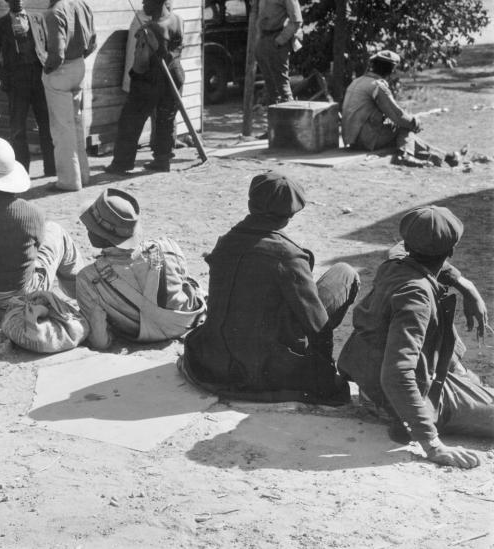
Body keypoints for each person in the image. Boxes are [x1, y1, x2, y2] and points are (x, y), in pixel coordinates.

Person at [180, 171, 360, 404]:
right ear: (290, 215)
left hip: (212, 359)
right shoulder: (288, 255)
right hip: (263, 367)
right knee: (345, 273)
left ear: (249, 203)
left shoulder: (225, 242)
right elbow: (318, 325)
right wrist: (322, 372)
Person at [338, 206, 492, 469]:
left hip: (370, 380)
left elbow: (402, 249)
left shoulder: (394, 264)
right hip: (401, 396)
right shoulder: (417, 296)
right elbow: (397, 373)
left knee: (476, 385)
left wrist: (466, 287)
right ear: (451, 251)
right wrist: (431, 443)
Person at [0, 137, 84, 324]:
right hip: (21, 295)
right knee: (56, 232)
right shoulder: (32, 213)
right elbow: (35, 248)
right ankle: (84, 295)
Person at [76, 189, 206, 349]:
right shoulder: (168, 247)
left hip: (142, 336)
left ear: (97, 235)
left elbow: (100, 341)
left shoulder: (88, 278)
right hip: (186, 323)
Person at [106, 0, 185, 174]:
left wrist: (134, 76)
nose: (143, 5)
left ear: (157, 2)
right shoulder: (177, 19)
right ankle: (162, 160)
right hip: (174, 74)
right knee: (165, 119)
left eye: (145, 1)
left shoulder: (152, 28)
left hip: (151, 79)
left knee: (130, 120)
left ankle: (122, 164)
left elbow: (141, 62)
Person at [0, 0, 55, 177]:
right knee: (17, 129)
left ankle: (51, 168)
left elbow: (48, 47)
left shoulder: (37, 19)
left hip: (39, 79)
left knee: (46, 124)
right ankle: (22, 171)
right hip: (16, 82)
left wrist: (47, 70)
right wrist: (5, 77)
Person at [341, 50, 459, 167]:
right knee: (404, 128)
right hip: (366, 139)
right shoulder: (377, 86)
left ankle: (446, 156)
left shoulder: (357, 81)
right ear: (391, 69)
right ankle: (406, 156)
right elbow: (398, 117)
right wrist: (414, 123)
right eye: (393, 68)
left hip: (352, 139)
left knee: (407, 137)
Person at [40, 0, 97, 192]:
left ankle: (68, 181)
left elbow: (57, 54)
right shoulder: (81, 4)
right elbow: (92, 42)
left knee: (61, 129)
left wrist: (46, 69)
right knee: (76, 124)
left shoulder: (54, 12)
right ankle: (83, 175)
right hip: (79, 67)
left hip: (61, 71)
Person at [253, 0, 302, 107]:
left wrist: (280, 41)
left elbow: (296, 20)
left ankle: (290, 126)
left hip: (277, 41)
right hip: (264, 40)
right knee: (270, 89)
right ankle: (275, 128)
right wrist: (259, 39)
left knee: (282, 87)